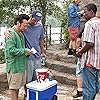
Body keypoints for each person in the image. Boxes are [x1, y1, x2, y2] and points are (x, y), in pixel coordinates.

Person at [5, 14, 32, 100]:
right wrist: (25, 51)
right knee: (13, 88)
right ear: (18, 23)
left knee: (17, 87)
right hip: (14, 67)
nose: (26, 28)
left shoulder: (20, 33)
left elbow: (20, 49)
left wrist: (26, 51)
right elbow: (11, 51)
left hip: (21, 66)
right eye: (24, 25)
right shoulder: (11, 34)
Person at [76, 3, 100, 100]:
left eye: (85, 12)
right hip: (98, 62)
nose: (84, 14)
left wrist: (80, 52)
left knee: (88, 88)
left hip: (90, 62)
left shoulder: (89, 24)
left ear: (91, 12)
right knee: (95, 85)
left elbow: (90, 43)